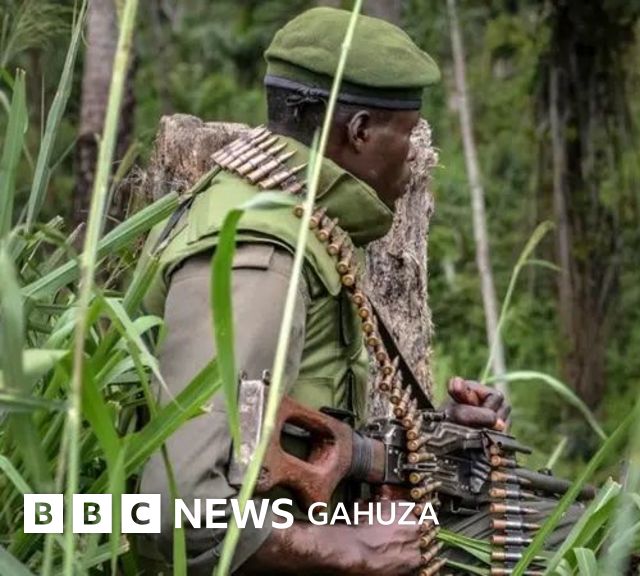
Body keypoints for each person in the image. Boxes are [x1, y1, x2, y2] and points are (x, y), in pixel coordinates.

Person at [134, 7, 574, 576]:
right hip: (272, 553)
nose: (415, 159)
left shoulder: (278, 212)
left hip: (305, 518)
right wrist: (345, 550)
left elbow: (287, 429)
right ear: (360, 130)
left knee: (570, 520)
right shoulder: (262, 256)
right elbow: (171, 513)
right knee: (587, 546)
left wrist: (430, 439)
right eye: (408, 136)